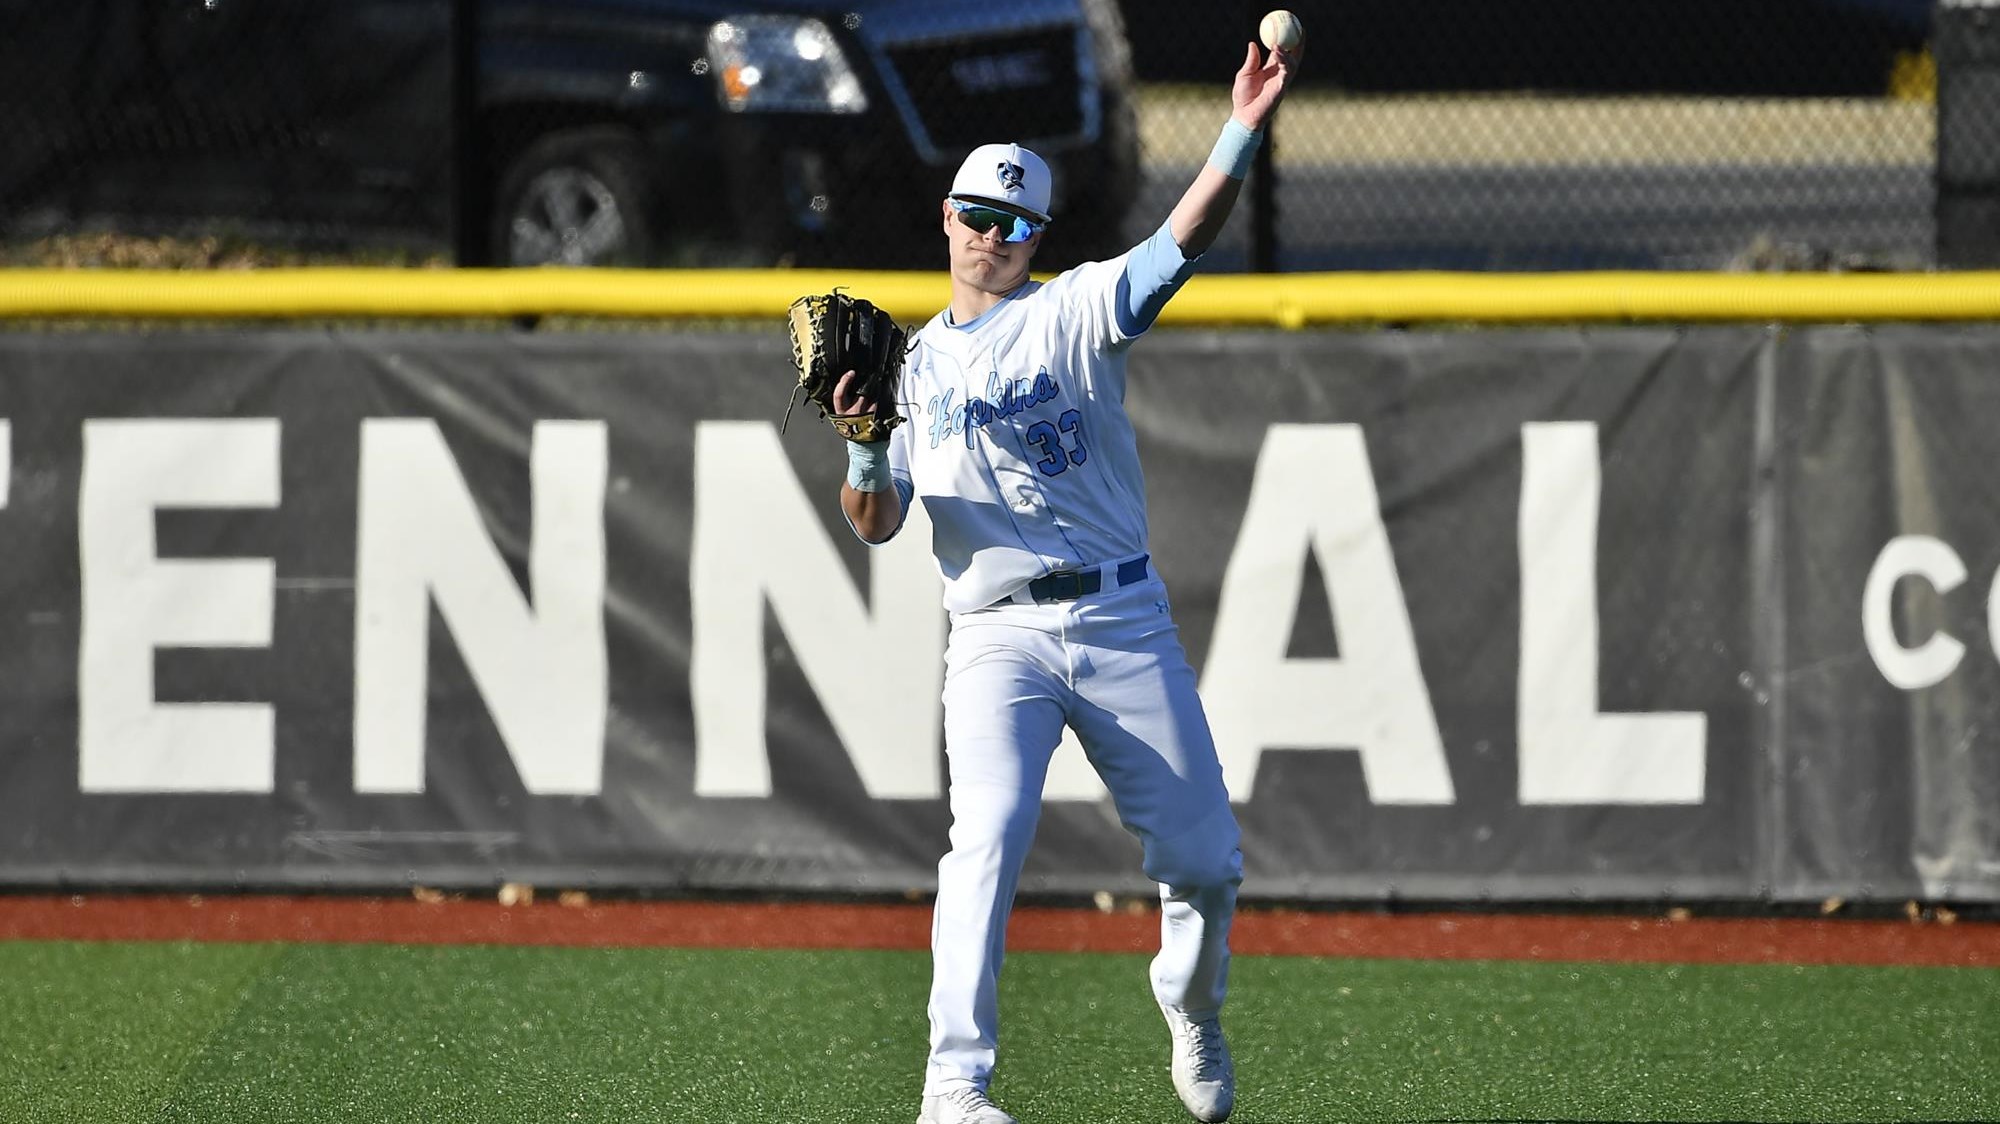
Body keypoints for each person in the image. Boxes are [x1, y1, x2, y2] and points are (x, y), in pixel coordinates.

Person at [832, 38, 1297, 1124]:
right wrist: (861, 447)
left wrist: (1238, 130)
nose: (991, 235)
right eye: (976, 215)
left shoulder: (1072, 312)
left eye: (1014, 221)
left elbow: (1178, 245)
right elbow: (877, 521)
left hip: (1119, 616)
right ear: (945, 218)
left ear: (1038, 235)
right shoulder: (905, 368)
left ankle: (1187, 1000)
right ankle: (952, 1085)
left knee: (1203, 861)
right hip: (994, 636)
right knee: (983, 834)